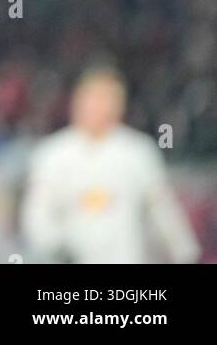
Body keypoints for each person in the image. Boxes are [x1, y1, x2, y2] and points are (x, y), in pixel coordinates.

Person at [21, 66, 200, 263]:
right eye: (93, 98)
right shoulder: (52, 154)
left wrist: (185, 251)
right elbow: (37, 213)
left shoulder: (138, 152)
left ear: (120, 105)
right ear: (77, 102)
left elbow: (162, 208)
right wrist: (55, 247)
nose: (100, 106)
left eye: (108, 98)